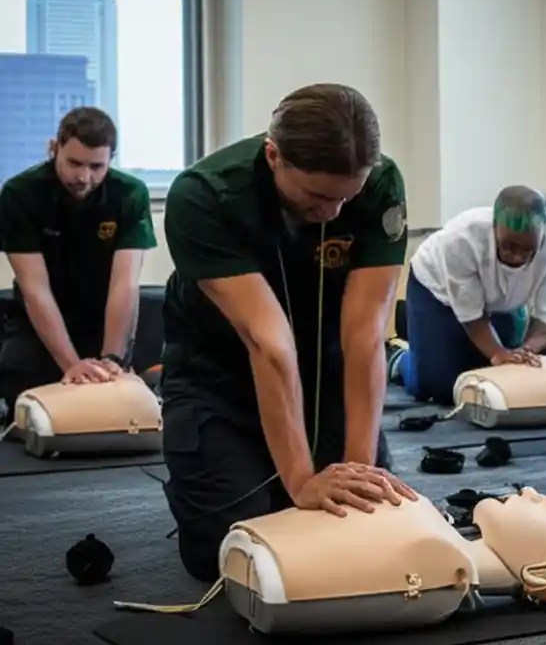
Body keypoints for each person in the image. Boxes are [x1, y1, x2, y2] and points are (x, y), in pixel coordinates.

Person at [159, 83, 417, 582]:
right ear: (273, 156)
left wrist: (358, 471)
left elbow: (365, 334)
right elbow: (267, 342)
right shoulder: (203, 196)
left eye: (348, 197)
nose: (334, 212)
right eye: (318, 196)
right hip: (219, 375)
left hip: (323, 368)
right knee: (230, 554)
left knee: (371, 521)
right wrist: (300, 481)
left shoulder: (383, 183)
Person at [0, 107, 155, 425]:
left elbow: (124, 283)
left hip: (103, 318)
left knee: (123, 407)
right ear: (53, 148)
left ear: (112, 158)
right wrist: (71, 364)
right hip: (40, 321)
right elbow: (35, 289)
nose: (84, 177)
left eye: (97, 166)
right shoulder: (20, 194)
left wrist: (111, 360)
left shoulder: (130, 194)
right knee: (28, 395)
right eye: (74, 163)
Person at [390, 186, 546, 404]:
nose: (517, 257)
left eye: (528, 250)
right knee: (439, 387)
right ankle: (399, 358)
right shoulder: (462, 238)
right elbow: (472, 318)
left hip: (501, 301)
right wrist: (498, 352)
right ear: (494, 227)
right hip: (436, 290)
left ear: (542, 234)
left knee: (492, 376)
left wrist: (524, 352)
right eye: (509, 247)